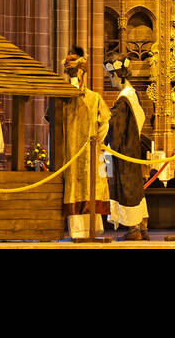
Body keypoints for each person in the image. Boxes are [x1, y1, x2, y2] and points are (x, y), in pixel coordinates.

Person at [55, 47, 110, 240]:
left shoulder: (94, 98)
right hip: (71, 153)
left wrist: (96, 144)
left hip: (89, 154)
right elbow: (53, 122)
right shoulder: (62, 97)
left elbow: (104, 123)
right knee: (75, 187)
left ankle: (90, 230)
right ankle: (78, 231)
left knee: (89, 186)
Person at [104, 56, 150, 241]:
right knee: (136, 189)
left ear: (118, 76)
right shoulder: (134, 95)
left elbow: (116, 128)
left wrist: (104, 136)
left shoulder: (124, 100)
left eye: (110, 76)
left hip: (122, 152)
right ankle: (142, 227)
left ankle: (133, 231)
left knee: (127, 190)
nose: (110, 80)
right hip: (132, 150)